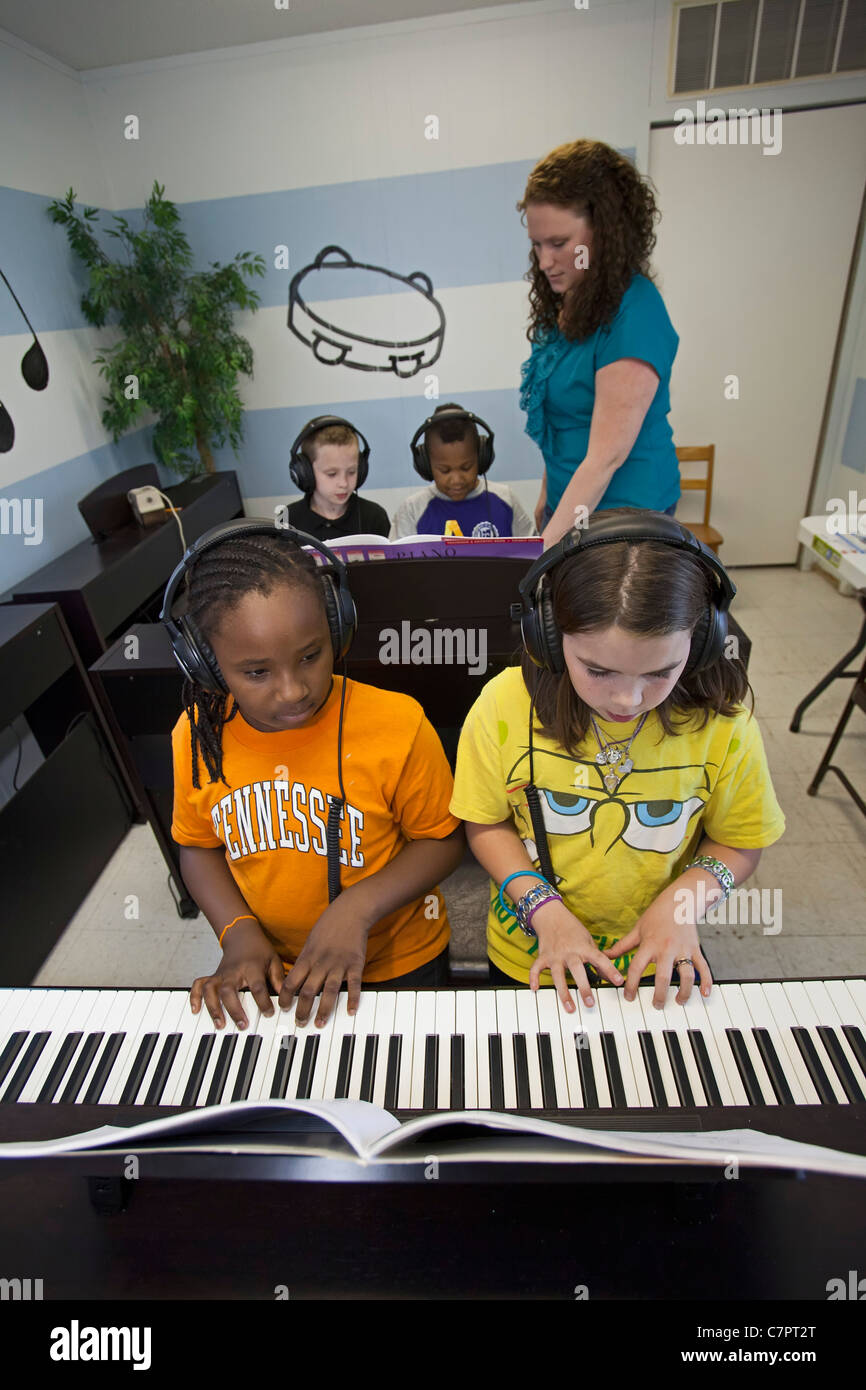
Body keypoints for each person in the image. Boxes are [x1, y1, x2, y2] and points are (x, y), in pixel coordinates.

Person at [450, 510, 785, 1012]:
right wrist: (543, 909)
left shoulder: (725, 724)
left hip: (663, 957)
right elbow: (485, 823)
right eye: (599, 670)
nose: (628, 699)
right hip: (531, 951)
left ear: (701, 641)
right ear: (548, 633)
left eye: (659, 672)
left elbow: (740, 841)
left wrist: (683, 904)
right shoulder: (503, 705)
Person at [164, 519, 464, 1031]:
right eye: (257, 672)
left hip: (400, 961)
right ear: (206, 664)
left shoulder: (397, 724)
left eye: (311, 656)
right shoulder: (196, 737)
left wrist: (357, 909)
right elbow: (197, 845)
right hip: (274, 969)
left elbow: (443, 840)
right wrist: (236, 931)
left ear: (337, 629)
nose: (293, 690)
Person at [517, 140, 681, 547]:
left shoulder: (635, 312)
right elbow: (566, 416)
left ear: (605, 232)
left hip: (627, 517)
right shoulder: (571, 296)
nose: (544, 262)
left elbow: (605, 457)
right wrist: (547, 494)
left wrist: (540, 553)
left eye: (558, 243)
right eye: (537, 244)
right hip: (573, 502)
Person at [390, 402, 535, 538]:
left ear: (481, 456)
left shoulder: (505, 499)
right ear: (426, 464)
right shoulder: (412, 511)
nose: (457, 480)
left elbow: (535, 556)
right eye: (445, 471)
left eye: (466, 468)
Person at [286, 416, 390, 541]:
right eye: (332, 474)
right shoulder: (288, 520)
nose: (343, 483)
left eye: (352, 472)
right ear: (305, 472)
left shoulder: (374, 516)